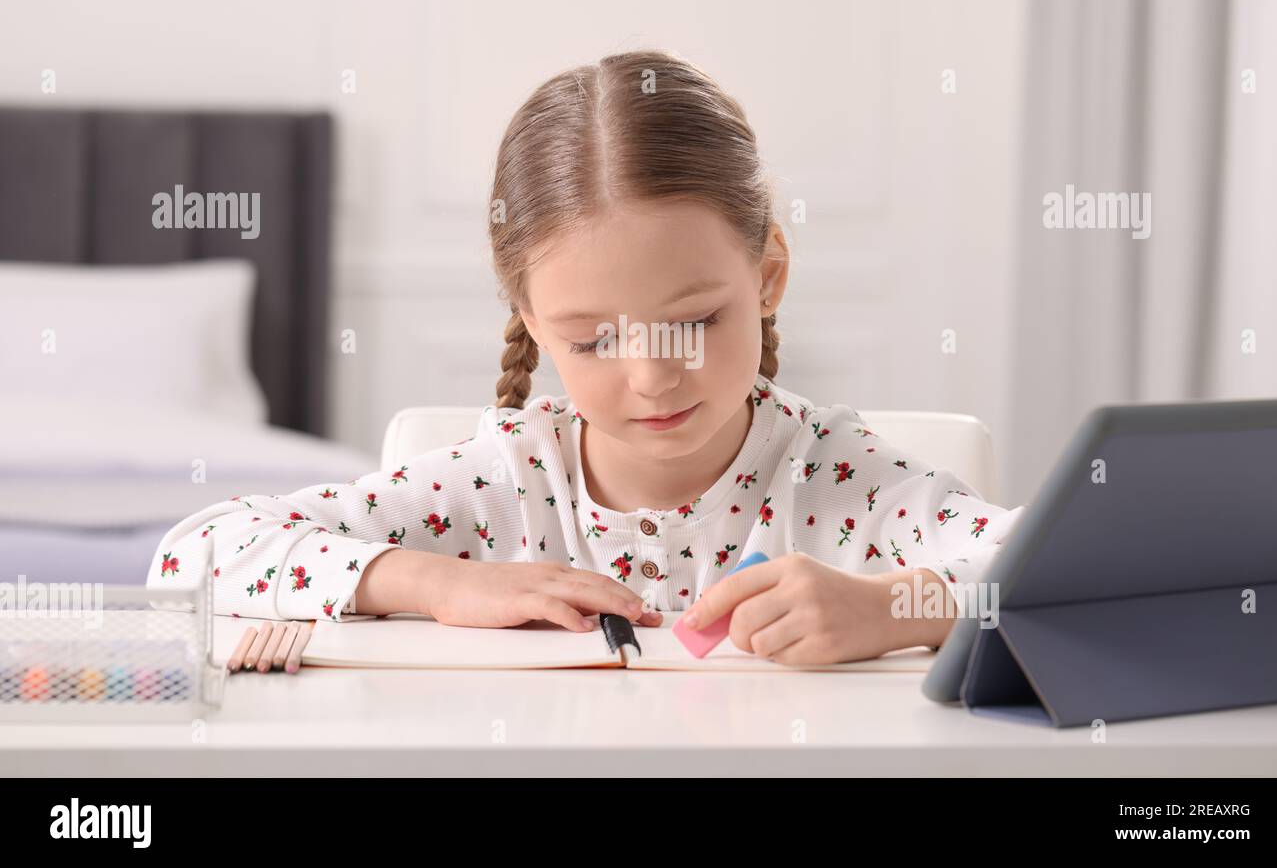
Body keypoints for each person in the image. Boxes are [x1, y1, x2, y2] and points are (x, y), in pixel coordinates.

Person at [147, 49, 1024, 664]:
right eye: (595, 339)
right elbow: (193, 555)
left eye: (696, 321)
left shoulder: (840, 479)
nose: (650, 376)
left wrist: (890, 609)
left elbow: (1060, 564)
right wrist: (433, 584)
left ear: (768, 276)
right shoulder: (500, 484)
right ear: (530, 318)